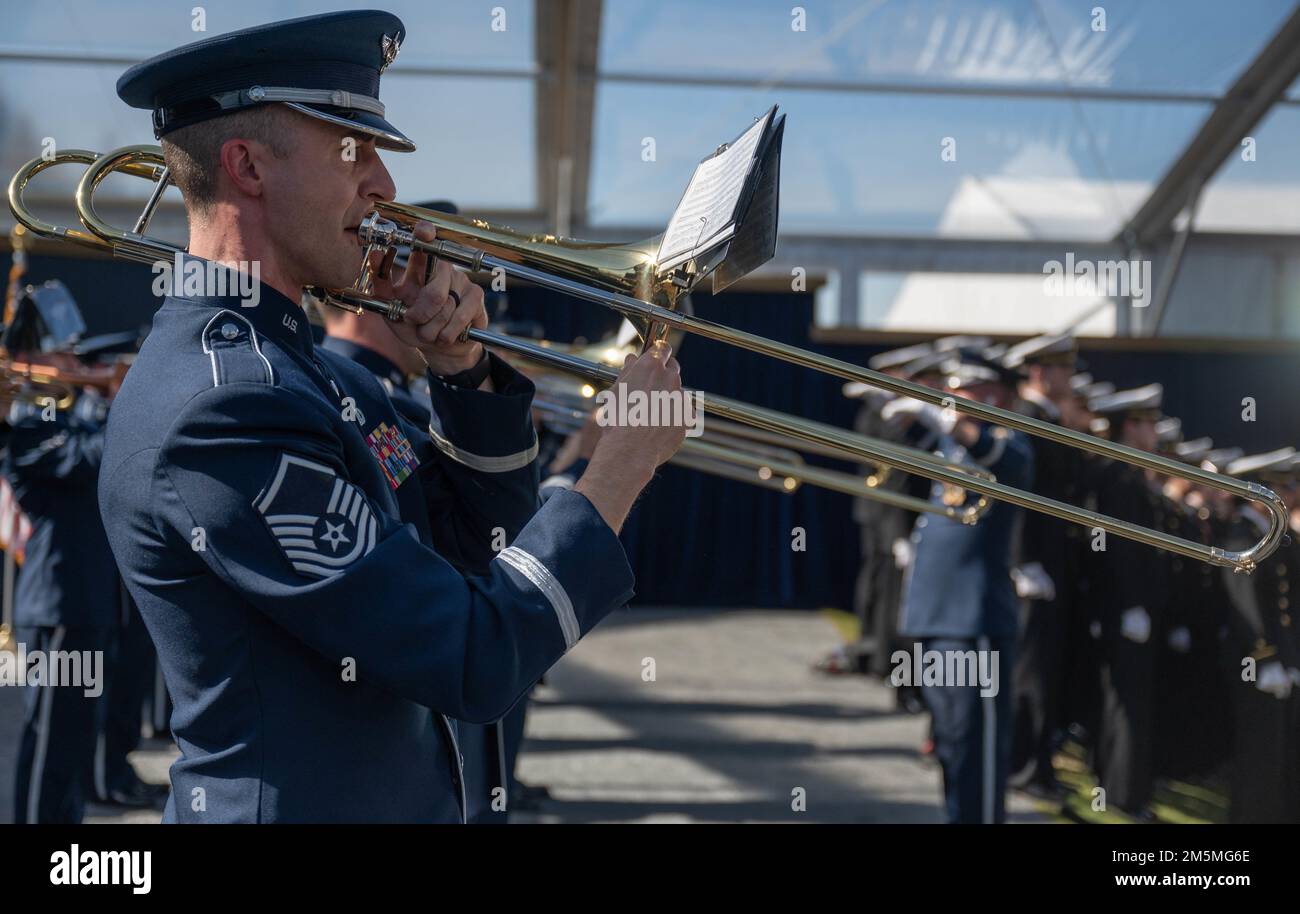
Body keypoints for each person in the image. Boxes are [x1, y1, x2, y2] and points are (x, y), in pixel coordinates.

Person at [98, 10, 686, 823]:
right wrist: (617, 473)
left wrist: (464, 374)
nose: (384, 185)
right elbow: (474, 655)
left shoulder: (298, 369)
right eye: (353, 149)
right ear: (246, 166)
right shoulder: (226, 408)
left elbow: (476, 555)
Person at [896, 348, 1034, 823]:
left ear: (992, 393)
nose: (951, 395)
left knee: (978, 752)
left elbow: (1012, 466)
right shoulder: (950, 446)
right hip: (936, 617)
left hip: (974, 620)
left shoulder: (1007, 440)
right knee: (953, 745)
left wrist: (951, 423)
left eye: (962, 387)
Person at [2, 286, 123, 823]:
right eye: (62, 355)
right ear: (29, 360)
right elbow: (89, 460)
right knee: (49, 745)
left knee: (71, 744)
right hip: (55, 610)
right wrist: (125, 403)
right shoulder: (26, 428)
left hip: (84, 606)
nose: (74, 365)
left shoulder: (67, 418)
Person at [1080, 383, 1167, 820]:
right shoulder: (1118, 473)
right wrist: (1130, 604)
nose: (1154, 431)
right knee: (1126, 702)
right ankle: (1123, 793)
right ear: (1129, 425)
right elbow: (1117, 546)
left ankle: (1120, 787)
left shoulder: (1127, 471)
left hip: (1126, 607)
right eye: (1148, 422)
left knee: (1126, 700)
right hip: (1122, 606)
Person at [1001, 333, 1080, 800]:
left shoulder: (1047, 418)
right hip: (1035, 565)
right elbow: (1018, 495)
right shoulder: (1025, 419)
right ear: (1040, 373)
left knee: (1044, 671)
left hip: (1054, 563)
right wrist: (1024, 560)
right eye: (1063, 368)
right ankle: (1023, 768)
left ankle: (1038, 766)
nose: (1070, 377)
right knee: (1029, 672)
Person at [1220, 448, 1299, 823]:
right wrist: (1266, 658)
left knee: (1275, 750)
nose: (1290, 493)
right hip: (1253, 661)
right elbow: (1246, 604)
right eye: (1281, 485)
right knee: (1258, 749)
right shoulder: (1242, 534)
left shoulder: (1269, 535)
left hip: (1277, 660)